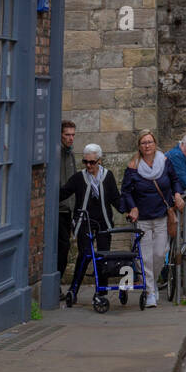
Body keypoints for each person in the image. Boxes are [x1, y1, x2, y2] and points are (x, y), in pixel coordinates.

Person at [121, 131, 185, 308]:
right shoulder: (133, 166)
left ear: (155, 144)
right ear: (139, 146)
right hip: (142, 218)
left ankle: (152, 282)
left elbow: (174, 180)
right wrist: (132, 207)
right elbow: (126, 191)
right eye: (143, 143)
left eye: (150, 142)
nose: (147, 145)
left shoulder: (164, 162)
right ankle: (150, 292)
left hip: (162, 216)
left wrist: (178, 194)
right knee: (145, 257)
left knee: (159, 254)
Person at [61, 144, 122, 300]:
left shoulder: (107, 176)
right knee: (85, 255)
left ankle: (101, 292)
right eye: (85, 162)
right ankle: (73, 290)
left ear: (99, 161)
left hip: (104, 222)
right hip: (84, 222)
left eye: (92, 162)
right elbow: (64, 193)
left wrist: (129, 210)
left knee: (103, 256)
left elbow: (115, 198)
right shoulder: (78, 178)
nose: (88, 165)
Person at [58, 120, 77, 284]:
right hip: (58, 210)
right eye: (67, 135)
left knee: (64, 249)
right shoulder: (56, 153)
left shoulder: (70, 154)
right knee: (61, 249)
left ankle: (56, 284)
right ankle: (55, 285)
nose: (70, 138)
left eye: (73, 135)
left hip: (68, 211)